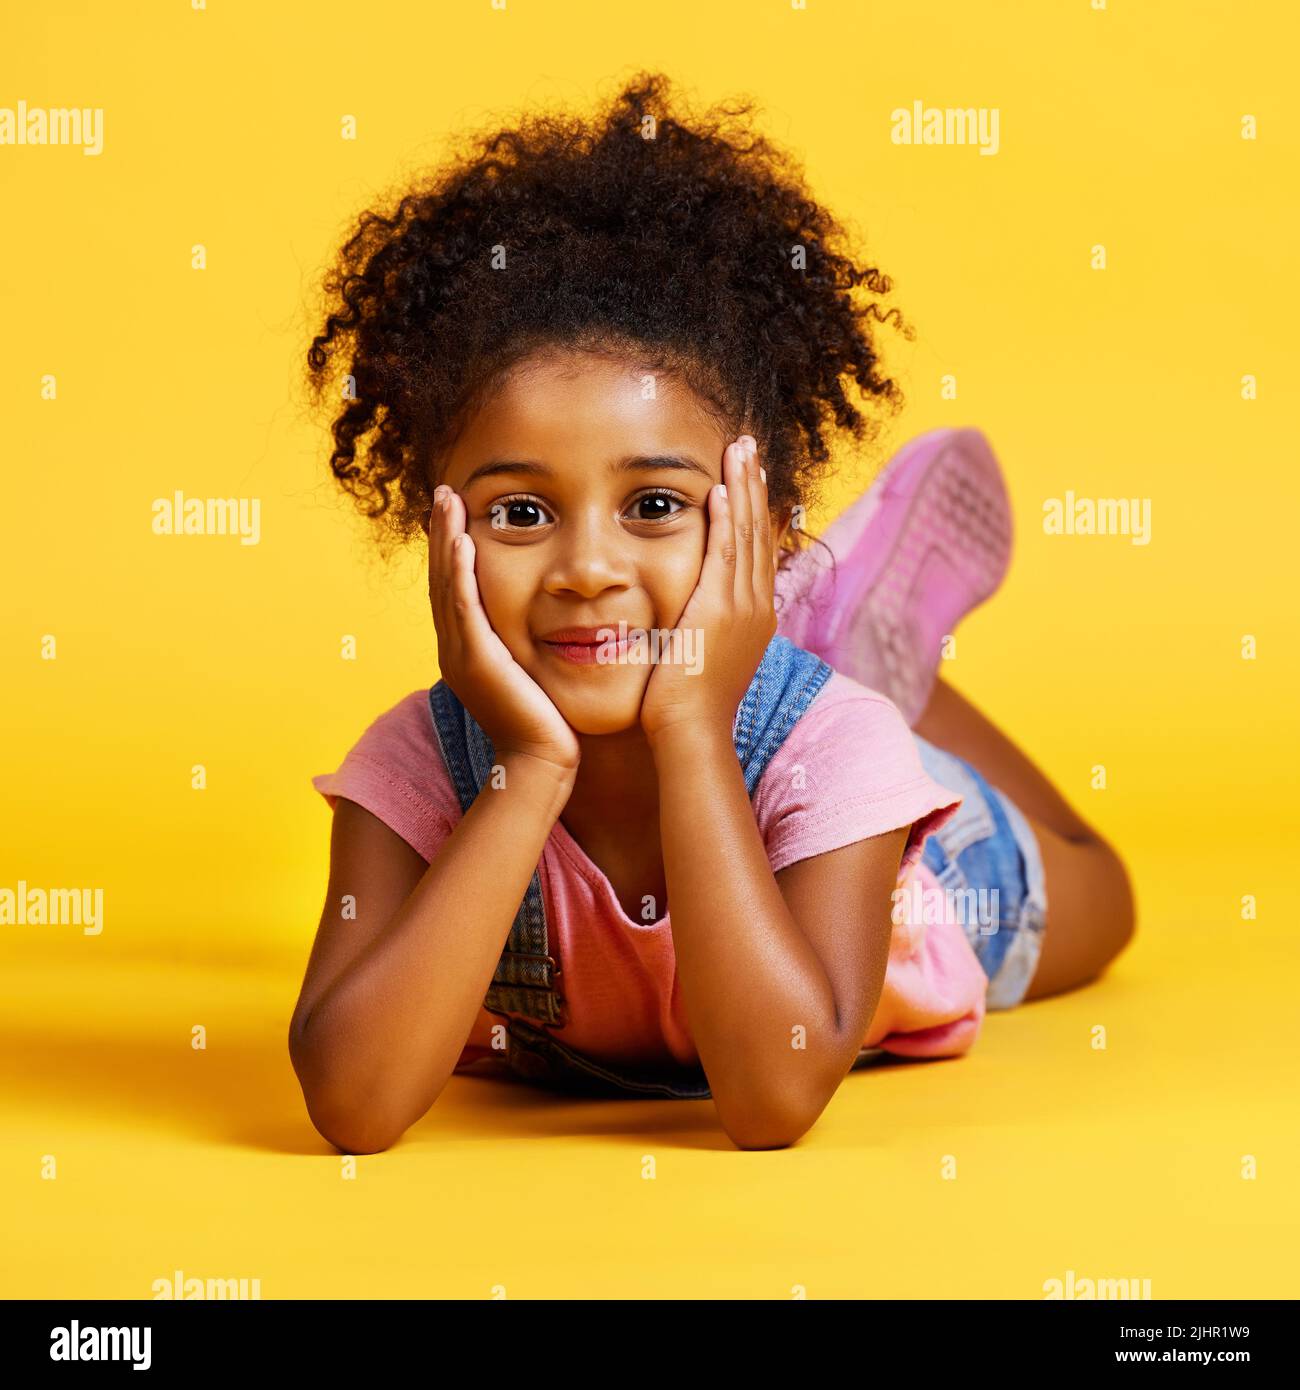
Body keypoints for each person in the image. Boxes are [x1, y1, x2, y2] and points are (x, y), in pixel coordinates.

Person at [289, 73, 1135, 1153]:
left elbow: (772, 1096)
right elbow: (353, 1103)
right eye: (520, 512)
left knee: (1102, 897)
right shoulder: (422, 764)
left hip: (901, 863)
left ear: (763, 524)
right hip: (725, 731)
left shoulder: (831, 754)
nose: (586, 567)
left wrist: (695, 725)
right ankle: (826, 623)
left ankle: (843, 653)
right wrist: (527, 773)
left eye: (653, 505)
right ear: (436, 527)